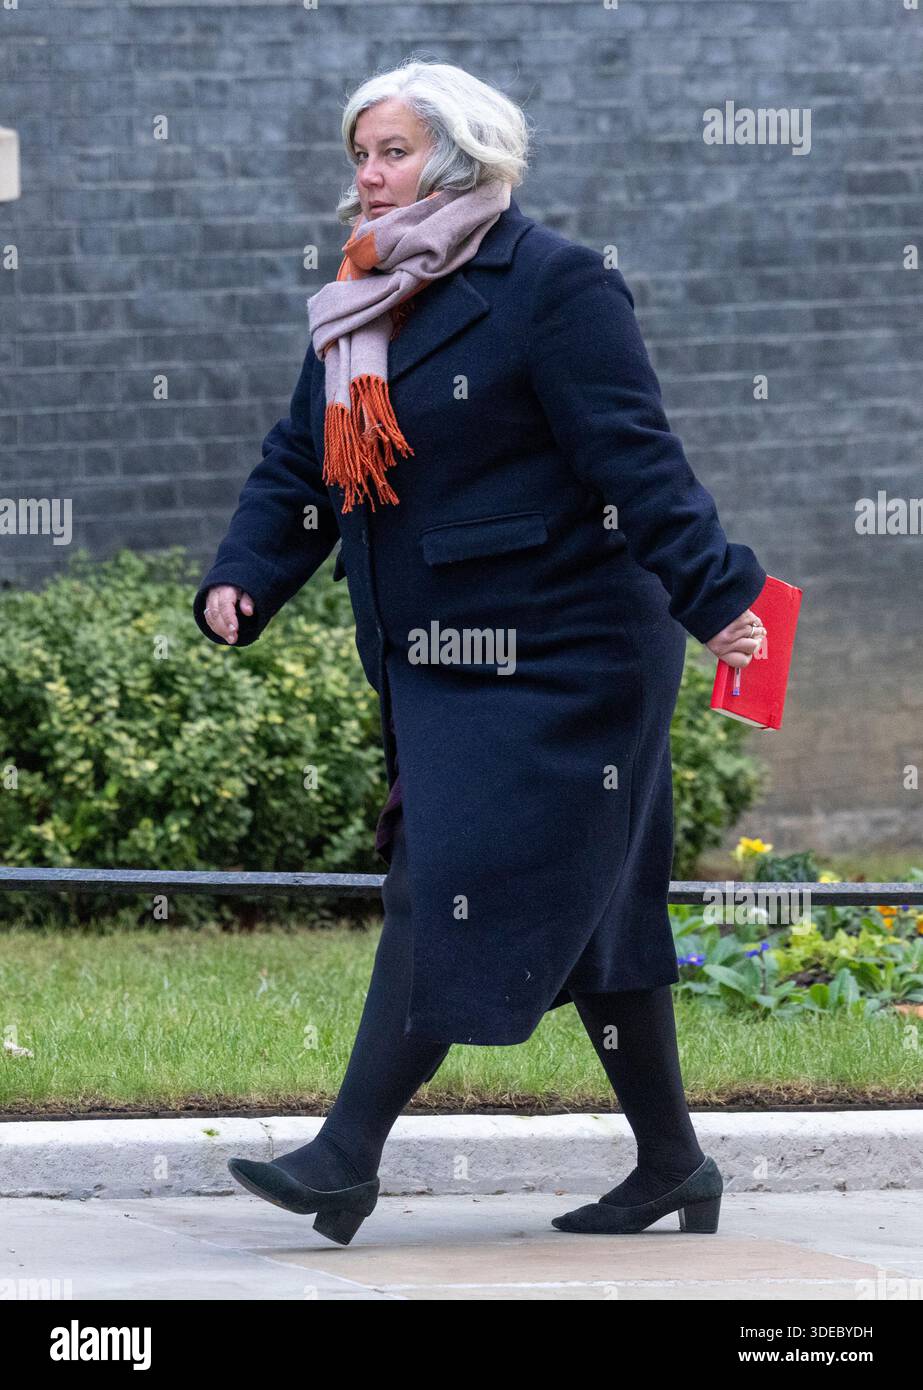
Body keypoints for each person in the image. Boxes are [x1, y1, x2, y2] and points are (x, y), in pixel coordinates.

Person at [193, 60, 767, 1244]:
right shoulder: (361, 298)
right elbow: (300, 463)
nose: (365, 174)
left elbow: (634, 458)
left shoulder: (551, 285)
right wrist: (246, 575)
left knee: (441, 876)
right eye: (358, 152)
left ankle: (344, 1154)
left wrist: (718, 597)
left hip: (565, 648)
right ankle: (673, 1164)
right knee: (601, 923)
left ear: (459, 159)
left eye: (390, 151)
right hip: (436, 655)